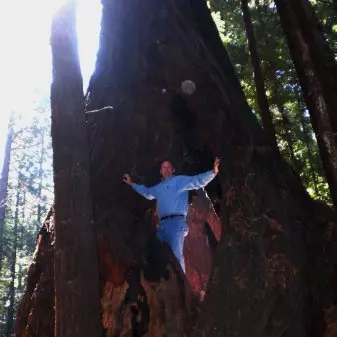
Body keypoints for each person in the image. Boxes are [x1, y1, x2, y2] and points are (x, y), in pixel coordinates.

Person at [123, 158, 220, 273]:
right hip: (162, 226)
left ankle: (184, 286)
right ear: (161, 171)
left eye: (169, 167)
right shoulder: (158, 188)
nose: (166, 169)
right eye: (164, 167)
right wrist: (131, 184)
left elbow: (197, 180)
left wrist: (213, 172)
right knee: (159, 255)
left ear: (173, 170)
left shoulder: (179, 181)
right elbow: (147, 193)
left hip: (176, 224)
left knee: (176, 257)